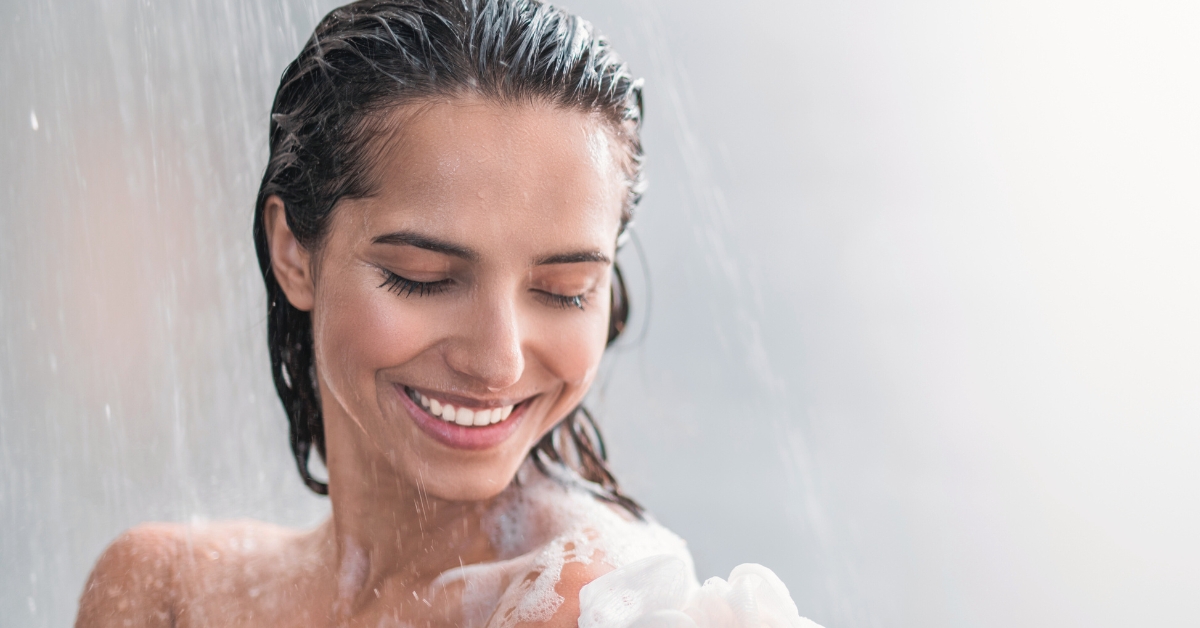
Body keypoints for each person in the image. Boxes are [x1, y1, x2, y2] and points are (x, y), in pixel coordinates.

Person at [75, 1, 818, 626]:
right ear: (293, 252)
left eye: (564, 290)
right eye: (422, 277)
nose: (499, 361)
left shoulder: (597, 605)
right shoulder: (162, 592)